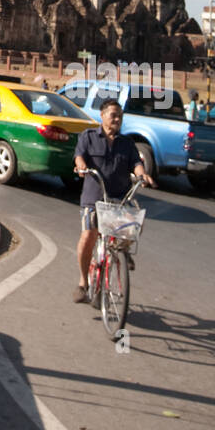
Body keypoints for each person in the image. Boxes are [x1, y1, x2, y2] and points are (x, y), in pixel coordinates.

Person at [72, 97, 155, 303]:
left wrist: (142, 174)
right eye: (113, 115)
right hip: (93, 199)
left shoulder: (127, 143)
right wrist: (81, 166)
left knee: (135, 223)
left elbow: (136, 163)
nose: (117, 119)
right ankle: (83, 282)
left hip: (119, 199)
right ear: (102, 116)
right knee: (88, 237)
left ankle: (123, 251)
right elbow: (79, 156)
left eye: (120, 116)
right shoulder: (88, 137)